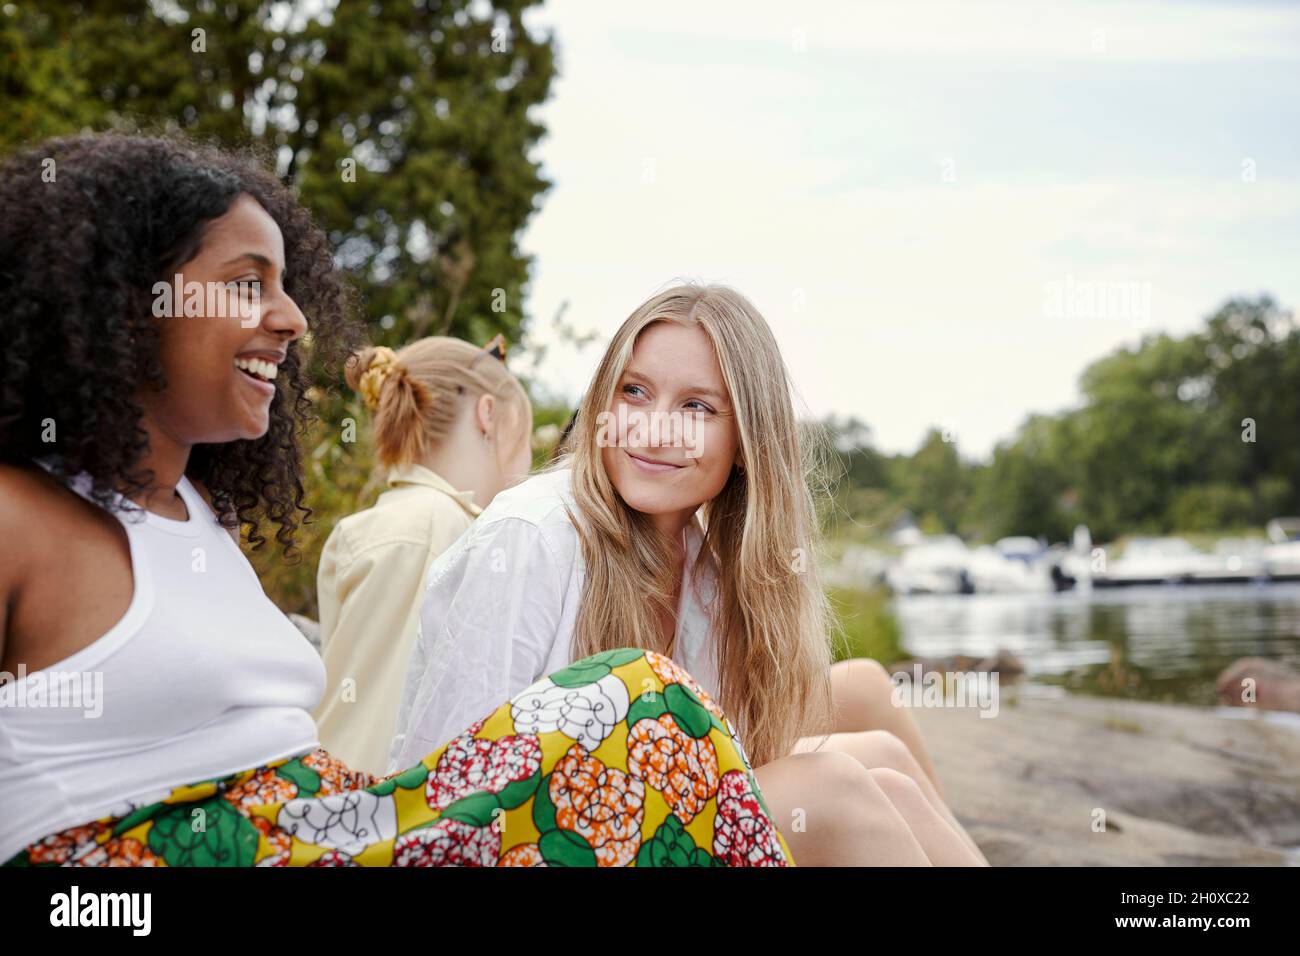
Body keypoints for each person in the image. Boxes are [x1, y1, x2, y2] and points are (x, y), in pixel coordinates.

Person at [0, 133, 791, 867]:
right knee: (648, 703)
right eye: (248, 284)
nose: (293, 318)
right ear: (127, 302)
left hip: (330, 831)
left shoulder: (200, 520)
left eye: (286, 285)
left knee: (682, 732)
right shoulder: (22, 516)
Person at [393, 283, 989, 865]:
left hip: (632, 826)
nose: (654, 429)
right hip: (531, 845)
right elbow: (450, 799)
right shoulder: (532, 535)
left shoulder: (704, 565)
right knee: (833, 789)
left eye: (697, 407)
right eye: (634, 391)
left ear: (747, 444)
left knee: (888, 768)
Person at [314, 336, 533, 775]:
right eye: (525, 438)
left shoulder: (373, 525)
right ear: (487, 414)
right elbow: (393, 724)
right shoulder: (446, 532)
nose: (528, 460)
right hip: (384, 823)